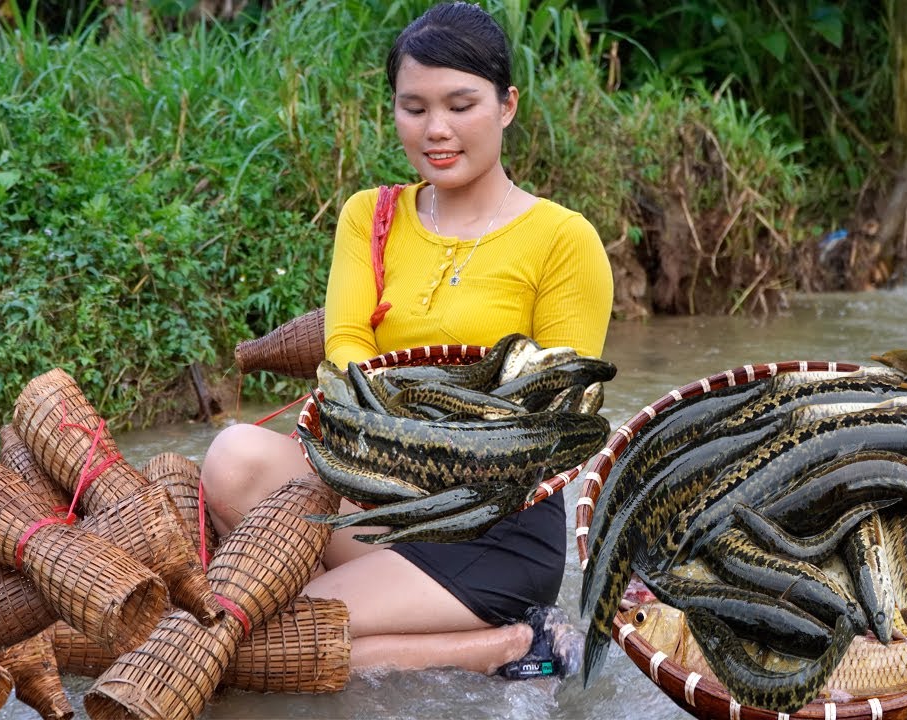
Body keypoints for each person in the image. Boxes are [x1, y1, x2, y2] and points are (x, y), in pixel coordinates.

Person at [201, 1, 612, 677]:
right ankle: (445, 631)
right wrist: (382, 461)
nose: (437, 129)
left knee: (259, 641)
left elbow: (555, 419)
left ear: (507, 105)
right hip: (379, 496)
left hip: (494, 526)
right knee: (234, 454)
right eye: (414, 107)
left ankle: (512, 644)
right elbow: (347, 349)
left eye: (461, 104)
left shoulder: (563, 241)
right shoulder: (371, 216)